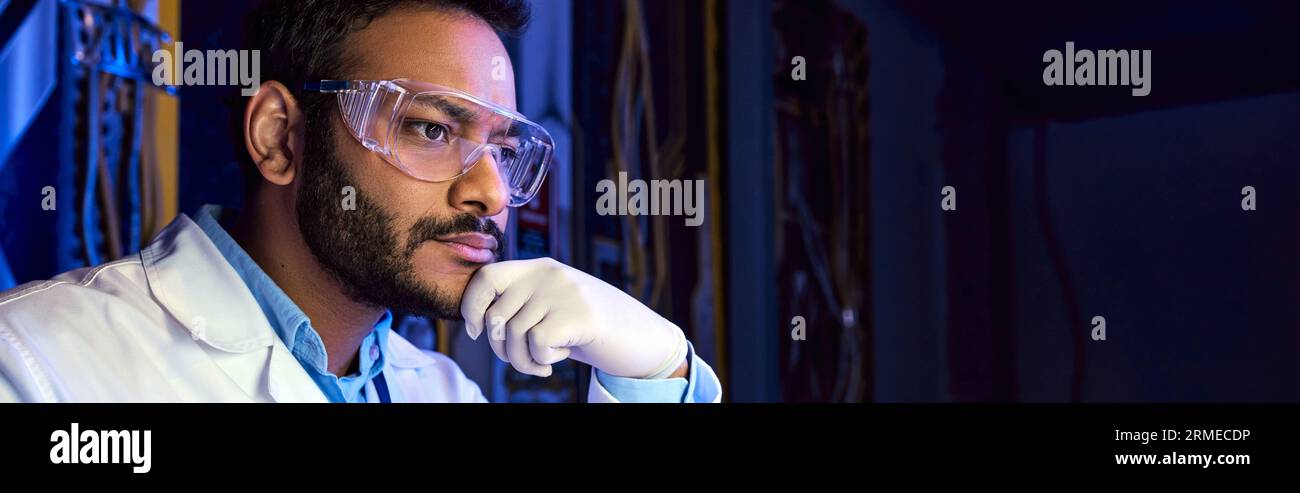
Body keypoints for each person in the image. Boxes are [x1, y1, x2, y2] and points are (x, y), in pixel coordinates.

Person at [0, 0, 720, 403]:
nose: (492, 193)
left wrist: (657, 375)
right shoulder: (40, 366)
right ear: (281, 136)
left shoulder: (441, 391)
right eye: (433, 128)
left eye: (504, 149)